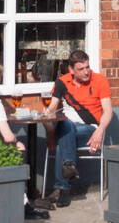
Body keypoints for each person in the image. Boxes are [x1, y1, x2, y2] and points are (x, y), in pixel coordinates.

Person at [41, 50, 113, 208]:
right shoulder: (61, 82)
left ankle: (63, 188)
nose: (86, 71)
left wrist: (99, 131)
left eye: (87, 67)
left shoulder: (100, 80)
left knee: (63, 137)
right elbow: (52, 108)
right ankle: (68, 171)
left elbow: (108, 111)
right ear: (71, 70)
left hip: (89, 129)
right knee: (65, 126)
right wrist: (49, 131)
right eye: (81, 69)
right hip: (67, 127)